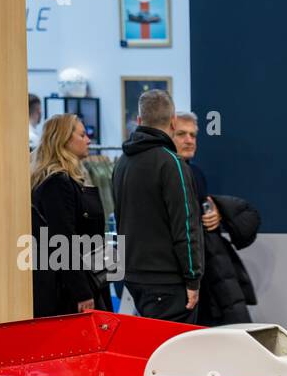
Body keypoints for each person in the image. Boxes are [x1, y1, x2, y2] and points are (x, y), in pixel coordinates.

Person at [112, 88, 203, 323]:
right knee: (176, 354)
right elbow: (185, 225)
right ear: (173, 122)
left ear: (140, 121)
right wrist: (193, 279)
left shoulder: (123, 162)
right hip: (167, 281)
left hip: (132, 276)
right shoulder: (172, 164)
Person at [173, 110, 258, 326]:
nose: (189, 140)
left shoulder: (197, 173)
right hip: (183, 277)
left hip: (209, 269)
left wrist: (217, 211)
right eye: (182, 134)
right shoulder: (169, 175)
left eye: (193, 135)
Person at [29, 114, 109, 317]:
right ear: (63, 139)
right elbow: (62, 240)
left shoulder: (70, 180)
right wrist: (81, 291)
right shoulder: (57, 183)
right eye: (82, 135)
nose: (88, 140)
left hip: (84, 277)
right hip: (67, 289)